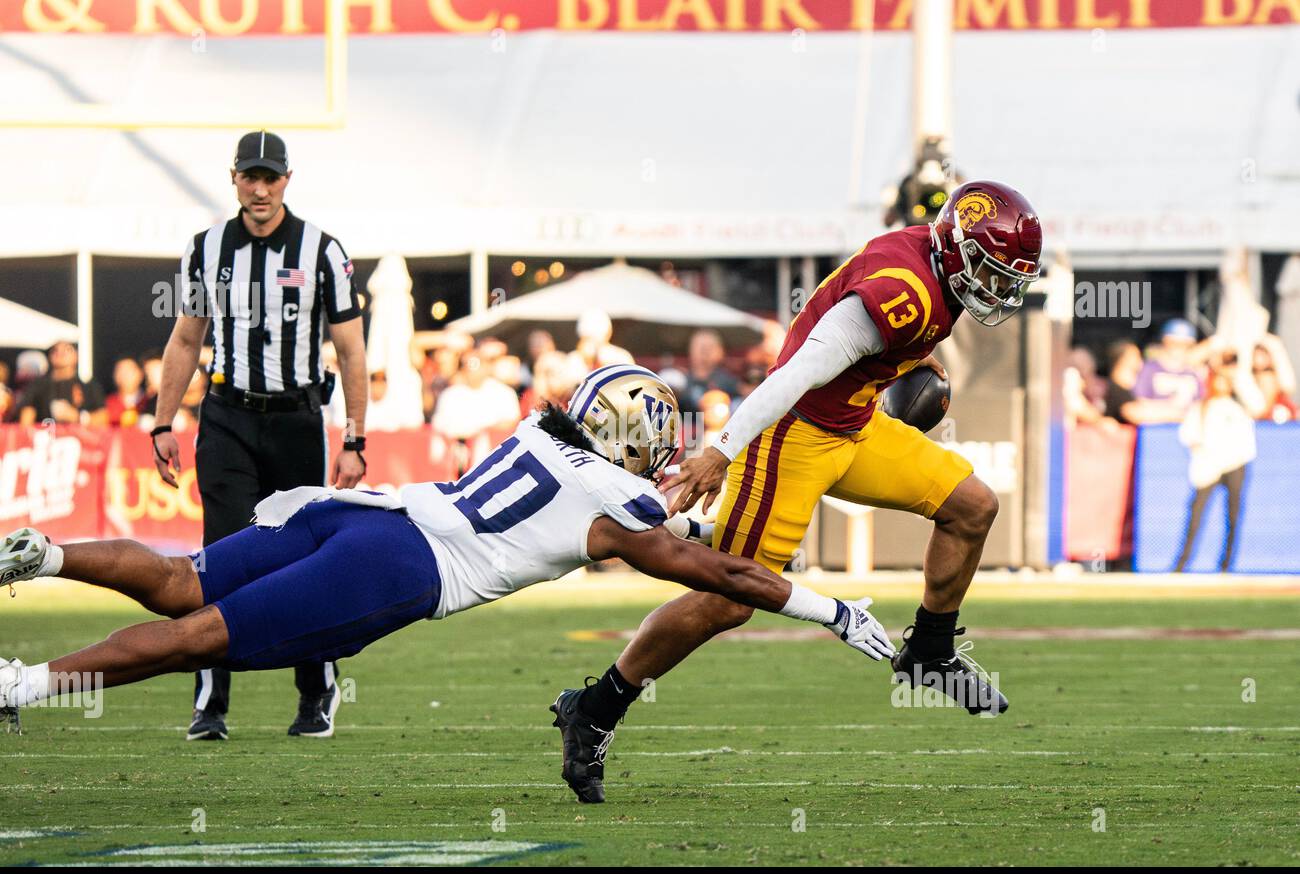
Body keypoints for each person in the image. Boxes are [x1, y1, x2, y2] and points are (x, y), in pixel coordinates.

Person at [0, 367, 894, 783]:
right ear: (627, 438)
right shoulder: (620, 507)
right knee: (197, 642)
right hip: (396, 565)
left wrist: (684, 514)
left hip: (360, 511)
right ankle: (26, 684)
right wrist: (830, 609)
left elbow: (638, 518)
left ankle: (49, 556)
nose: (663, 454)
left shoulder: (539, 434)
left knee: (179, 580)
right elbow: (716, 571)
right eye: (654, 438)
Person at [549, 182, 1040, 798]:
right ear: (957, 249)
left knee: (974, 506)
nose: (1001, 291)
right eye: (993, 272)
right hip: (795, 436)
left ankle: (931, 652)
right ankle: (594, 708)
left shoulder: (934, 268)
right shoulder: (901, 291)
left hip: (858, 423)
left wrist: (904, 361)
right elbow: (800, 370)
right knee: (729, 595)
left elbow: (869, 345)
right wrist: (720, 452)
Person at [152, 130, 369, 742]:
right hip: (226, 416)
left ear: (287, 181)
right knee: (219, 559)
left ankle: (315, 695)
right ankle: (209, 704)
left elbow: (351, 352)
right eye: (250, 176)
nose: (260, 188)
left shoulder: (323, 250)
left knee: (303, 556)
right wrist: (164, 420)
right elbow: (187, 339)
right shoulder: (208, 248)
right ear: (235, 180)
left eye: (270, 177)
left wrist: (355, 439)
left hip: (298, 421)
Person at [1174, 366, 1256, 572]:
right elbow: (1188, 435)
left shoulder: (1239, 408)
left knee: (1233, 515)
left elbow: (1258, 405)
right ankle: (1182, 564)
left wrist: (1240, 378)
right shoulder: (1201, 408)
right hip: (1208, 465)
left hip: (1235, 464)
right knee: (1196, 515)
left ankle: (1226, 564)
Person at [16, 341, 107, 427]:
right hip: (45, 439)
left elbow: (103, 418)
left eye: (67, 349)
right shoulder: (38, 386)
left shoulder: (89, 387)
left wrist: (77, 417)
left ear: (76, 356)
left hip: (78, 440)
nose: (60, 353)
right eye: (55, 350)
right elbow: (26, 419)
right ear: (50, 356)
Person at [1132, 319, 1204, 422]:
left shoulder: (1193, 373)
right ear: (1164, 342)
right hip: (1157, 430)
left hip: (1187, 431)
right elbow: (1140, 403)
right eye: (1174, 343)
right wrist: (1171, 410)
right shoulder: (1149, 369)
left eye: (1185, 345)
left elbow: (1199, 404)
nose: (1179, 348)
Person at [678, 329, 740, 416]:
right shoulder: (680, 381)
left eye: (710, 347)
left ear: (721, 351)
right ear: (690, 350)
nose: (705, 352)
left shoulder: (730, 383)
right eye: (701, 347)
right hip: (687, 425)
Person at [104, 357, 149, 429]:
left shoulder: (149, 402)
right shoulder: (107, 403)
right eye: (120, 371)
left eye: (129, 371)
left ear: (140, 374)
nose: (124, 376)